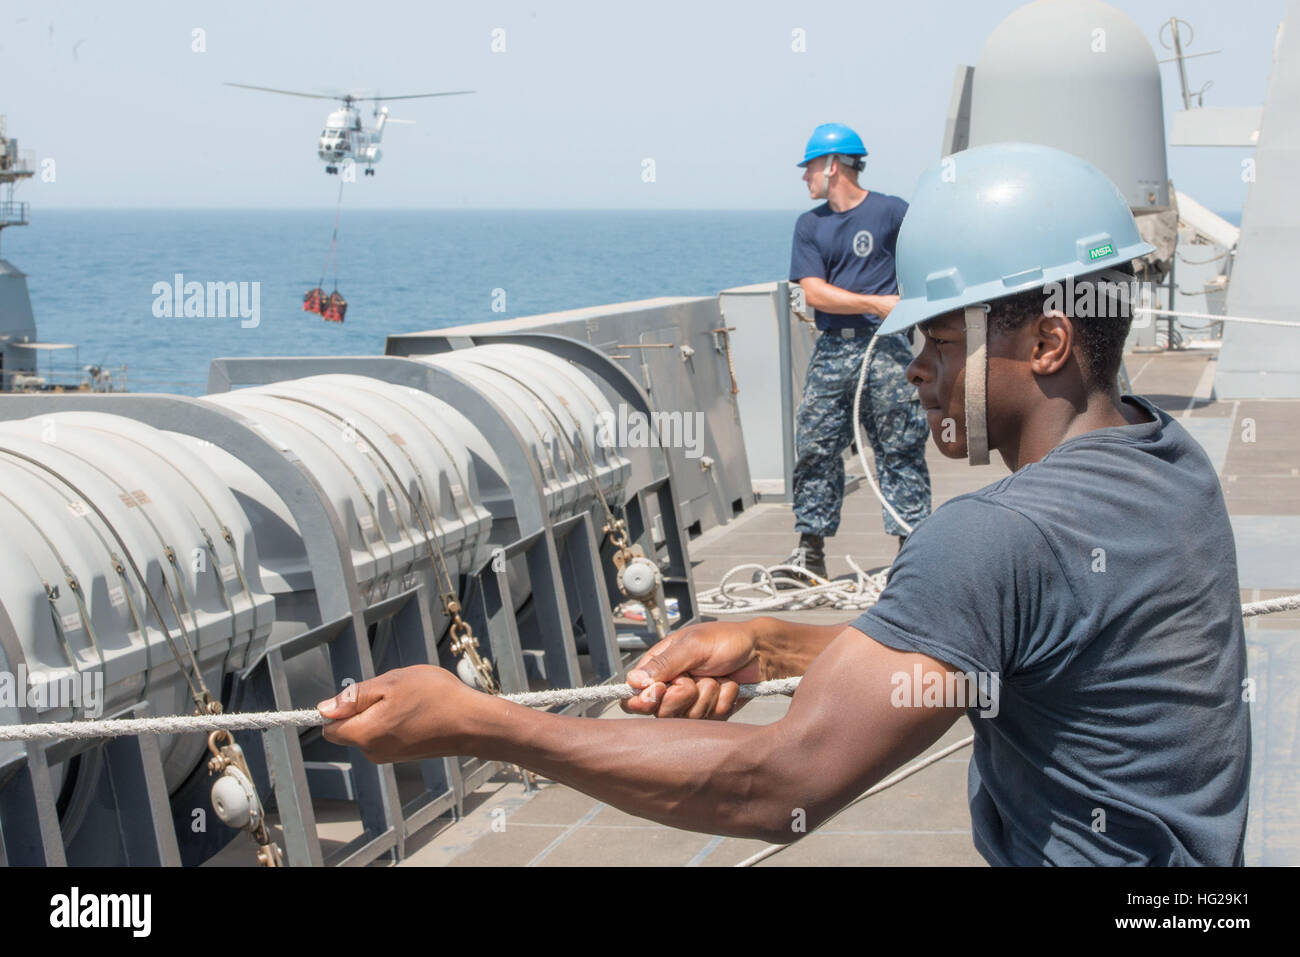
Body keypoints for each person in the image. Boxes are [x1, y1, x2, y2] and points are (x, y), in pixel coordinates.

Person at [317, 143, 1251, 865]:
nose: (917, 368)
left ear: (1048, 340)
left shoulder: (998, 536)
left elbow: (775, 785)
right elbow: (1011, 649)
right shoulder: (1168, 462)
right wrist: (772, 641)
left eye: (942, 338)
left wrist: (484, 723)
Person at [782, 122, 932, 582]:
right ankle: (810, 554)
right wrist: (875, 302)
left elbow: (928, 252)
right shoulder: (810, 226)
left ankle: (912, 554)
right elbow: (815, 293)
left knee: (900, 446)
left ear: (832, 166)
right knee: (815, 446)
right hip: (834, 350)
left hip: (887, 349)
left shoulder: (891, 212)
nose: (804, 177)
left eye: (809, 167)